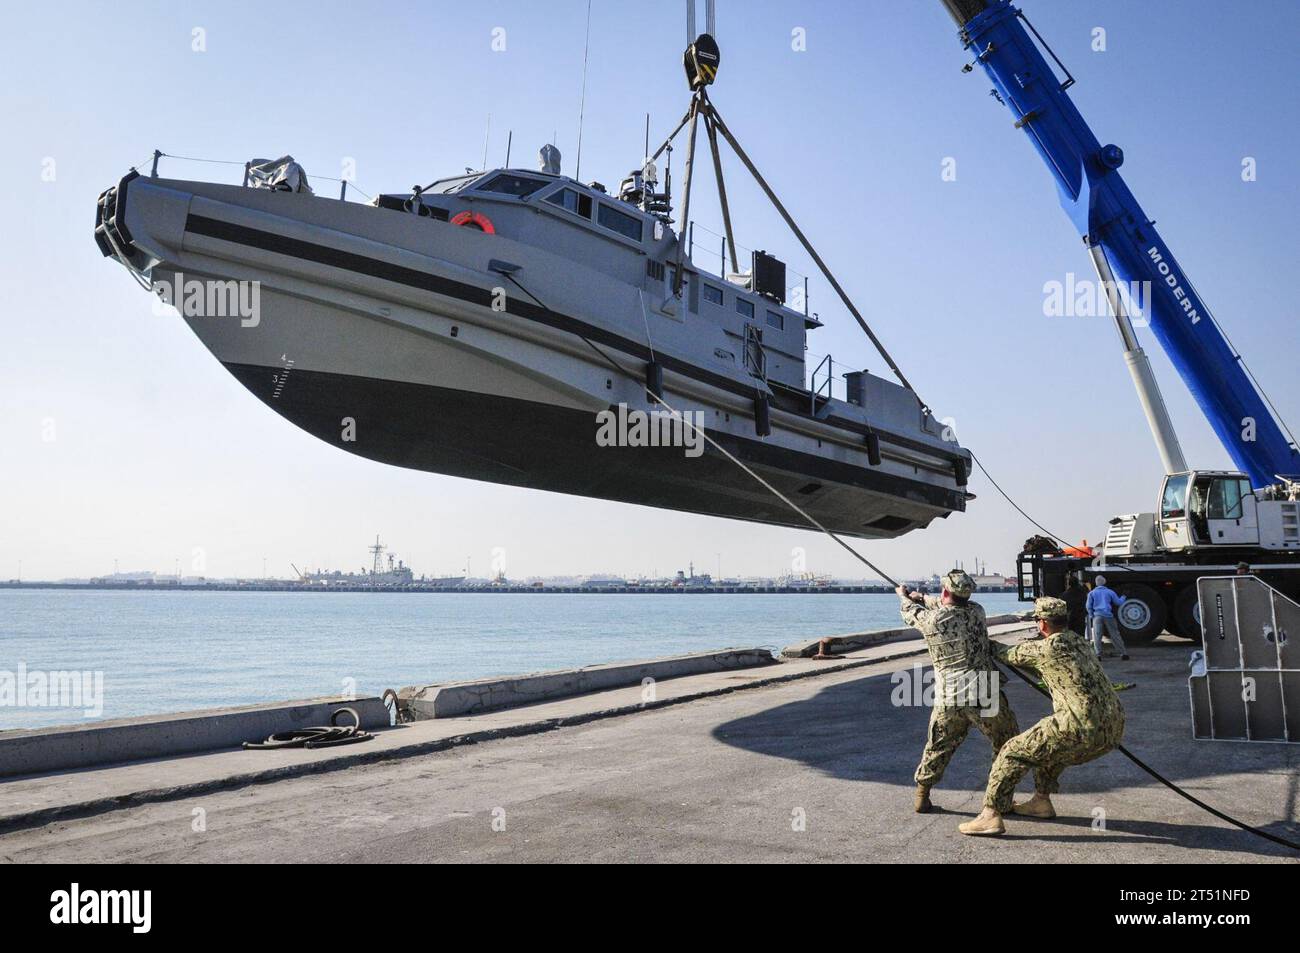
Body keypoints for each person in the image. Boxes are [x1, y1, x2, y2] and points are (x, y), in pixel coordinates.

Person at [958, 597, 1125, 836]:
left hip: (1077, 724)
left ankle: (990, 815)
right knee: (1049, 752)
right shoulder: (1081, 642)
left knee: (1011, 750)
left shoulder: (1046, 648)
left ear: (1043, 624)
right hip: (1113, 726)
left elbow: (1007, 654)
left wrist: (980, 639)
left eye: (1037, 620)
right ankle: (1041, 802)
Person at [897, 569, 1019, 814]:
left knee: (939, 744)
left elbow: (912, 612)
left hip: (948, 694)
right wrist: (923, 598)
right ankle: (999, 799)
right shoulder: (977, 612)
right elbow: (945, 605)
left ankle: (922, 794)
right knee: (1005, 740)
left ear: (944, 591)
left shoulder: (931, 621)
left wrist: (905, 596)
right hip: (983, 691)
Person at [1086, 574, 1129, 660]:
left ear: (1096, 583)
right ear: (1105, 583)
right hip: (1108, 616)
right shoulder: (1110, 592)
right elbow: (1118, 602)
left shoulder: (1092, 593)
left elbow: (1088, 606)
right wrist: (1124, 596)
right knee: (1114, 634)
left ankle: (1098, 654)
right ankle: (1123, 653)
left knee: (1097, 636)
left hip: (1097, 616)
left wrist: (1091, 615)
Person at [1061, 575, 1087, 640]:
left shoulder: (1064, 594)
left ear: (1069, 583)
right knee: (1081, 636)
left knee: (1071, 636)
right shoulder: (1083, 592)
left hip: (1070, 617)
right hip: (1081, 616)